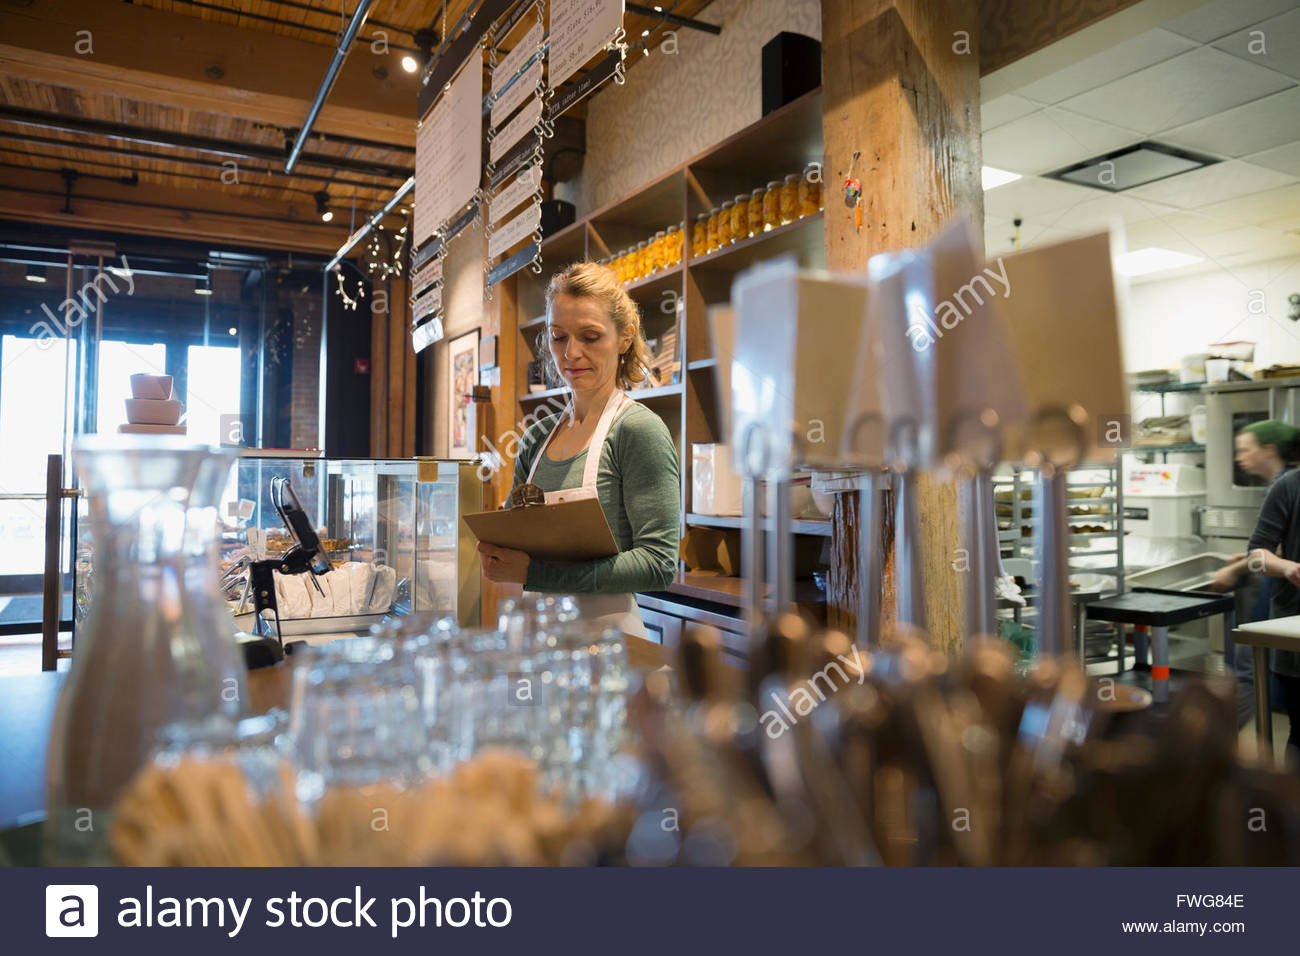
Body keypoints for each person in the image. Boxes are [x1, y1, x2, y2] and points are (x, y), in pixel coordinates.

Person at [477, 262, 680, 639]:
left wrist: (535, 573)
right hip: (537, 635)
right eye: (558, 337)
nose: (571, 353)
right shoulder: (536, 438)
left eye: (590, 336)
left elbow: (658, 564)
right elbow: (513, 539)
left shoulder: (638, 430)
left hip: (607, 643)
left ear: (624, 338)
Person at [1209, 421, 1298, 730]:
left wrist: (1237, 569)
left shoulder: (1284, 483)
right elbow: (1263, 551)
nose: (1238, 457)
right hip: (1285, 608)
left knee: (1246, 671)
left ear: (1268, 451)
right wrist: (1276, 563)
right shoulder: (1287, 485)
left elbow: (1275, 553)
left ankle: (1217, 748)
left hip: (1277, 601)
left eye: (1245, 449)